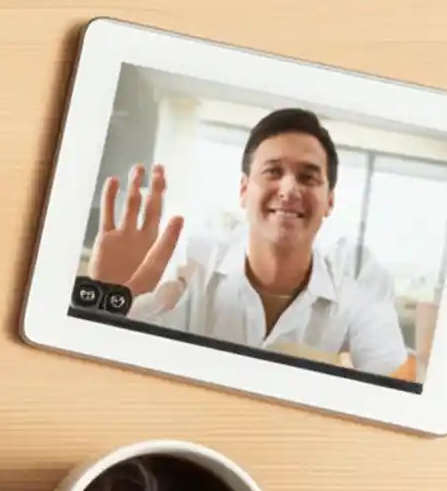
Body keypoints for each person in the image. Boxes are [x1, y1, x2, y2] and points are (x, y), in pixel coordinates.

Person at [85, 108, 410, 378]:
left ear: (329, 201)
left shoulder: (358, 280)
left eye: (308, 177)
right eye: (273, 171)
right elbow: (110, 366)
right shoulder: (190, 265)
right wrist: (107, 300)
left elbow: (395, 388)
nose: (288, 189)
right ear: (244, 190)